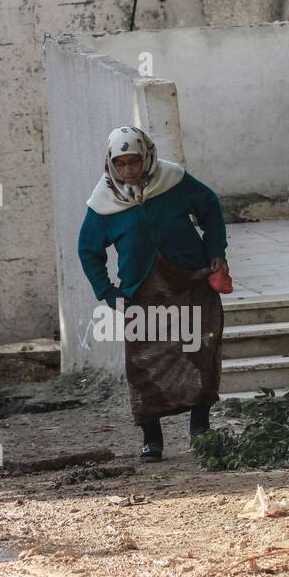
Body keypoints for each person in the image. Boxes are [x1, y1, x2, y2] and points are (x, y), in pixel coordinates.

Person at [78, 126, 228, 461]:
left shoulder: (172, 180)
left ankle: (200, 427)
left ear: (147, 157)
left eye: (133, 162)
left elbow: (210, 207)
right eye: (121, 164)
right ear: (111, 165)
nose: (128, 170)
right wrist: (108, 292)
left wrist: (215, 248)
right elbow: (88, 250)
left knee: (200, 351)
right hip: (141, 295)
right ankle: (151, 438)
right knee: (144, 362)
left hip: (190, 284)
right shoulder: (103, 202)